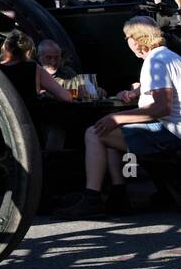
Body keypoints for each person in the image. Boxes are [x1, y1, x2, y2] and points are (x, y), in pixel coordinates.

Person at [57, 16, 181, 219]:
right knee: (109, 133)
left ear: (136, 38)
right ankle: (119, 194)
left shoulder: (155, 62)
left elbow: (162, 107)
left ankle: (92, 198)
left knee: (95, 133)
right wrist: (138, 92)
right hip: (173, 128)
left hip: (170, 133)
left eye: (127, 38)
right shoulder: (169, 56)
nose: (127, 43)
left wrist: (117, 117)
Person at [0, 32, 73, 110]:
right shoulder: (34, 68)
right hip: (27, 119)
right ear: (28, 52)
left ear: (5, 48)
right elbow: (66, 97)